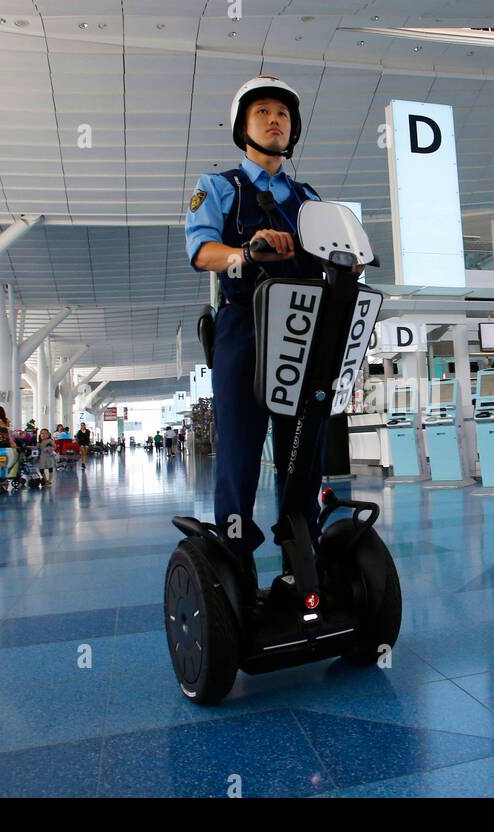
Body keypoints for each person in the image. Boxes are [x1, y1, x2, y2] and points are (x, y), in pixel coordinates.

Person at [186, 74, 346, 589]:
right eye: (263, 113)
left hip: (302, 328)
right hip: (244, 327)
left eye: (283, 114)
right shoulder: (217, 187)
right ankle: (235, 560)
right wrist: (245, 252)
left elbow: (335, 254)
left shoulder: (310, 198)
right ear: (243, 126)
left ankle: (303, 552)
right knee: (240, 447)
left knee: (304, 446)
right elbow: (200, 251)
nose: (275, 120)